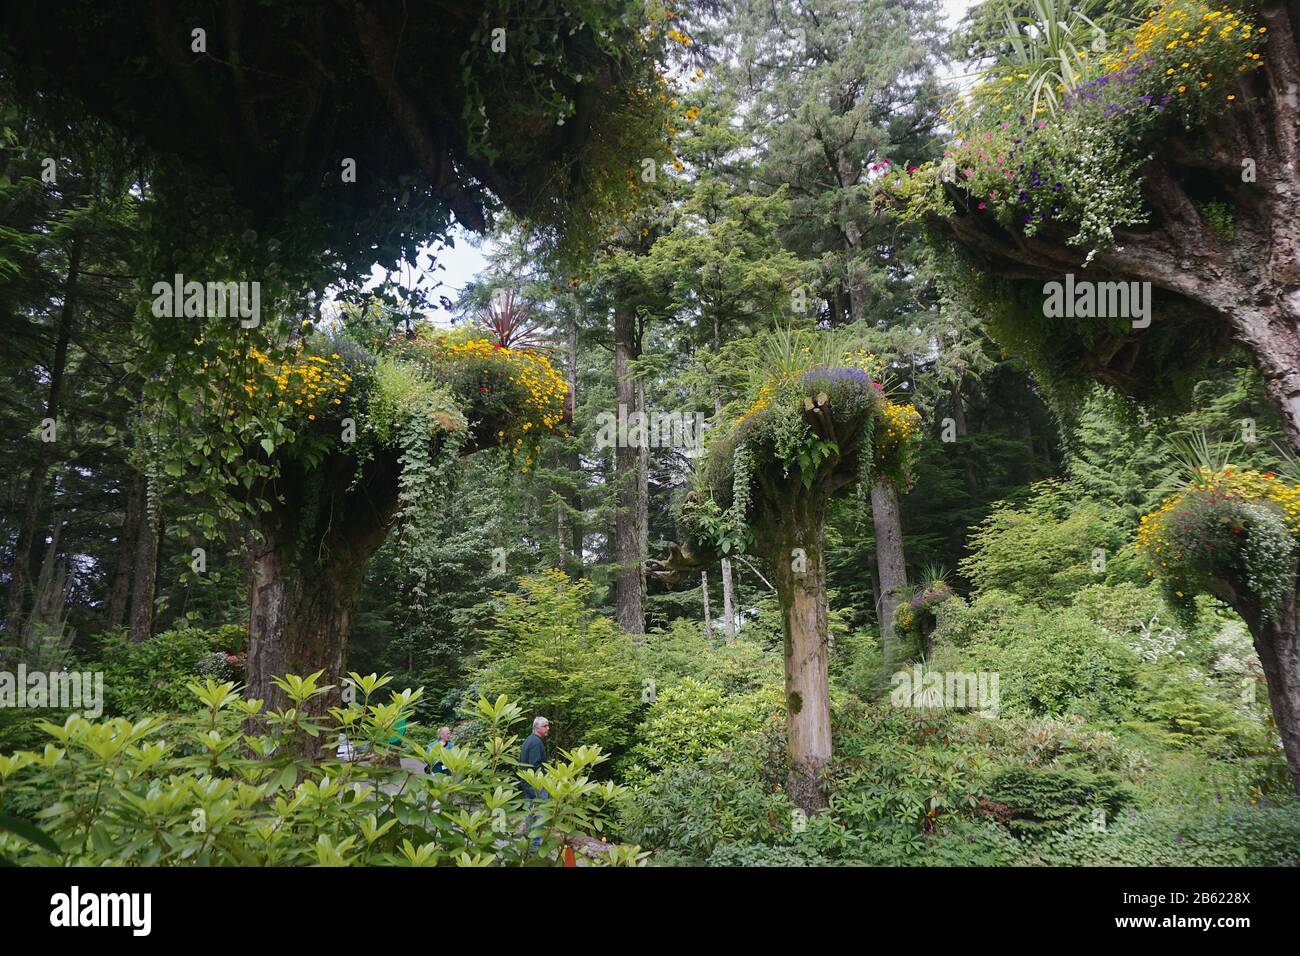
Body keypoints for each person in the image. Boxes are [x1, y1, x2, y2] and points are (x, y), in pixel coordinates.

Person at [520, 716, 549, 848]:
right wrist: (544, 781)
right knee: (539, 815)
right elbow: (535, 765)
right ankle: (534, 847)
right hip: (536, 785)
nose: (548, 728)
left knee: (530, 815)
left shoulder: (529, 740)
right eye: (545, 726)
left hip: (527, 783)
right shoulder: (536, 742)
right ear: (537, 728)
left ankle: (527, 845)